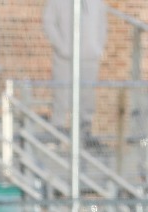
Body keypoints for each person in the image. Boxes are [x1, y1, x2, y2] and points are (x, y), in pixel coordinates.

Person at [42, 0, 107, 132]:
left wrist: (97, 48)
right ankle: (58, 129)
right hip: (65, 57)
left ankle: (85, 130)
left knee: (87, 94)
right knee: (61, 92)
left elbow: (102, 24)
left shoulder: (97, 2)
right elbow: (48, 22)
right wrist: (61, 47)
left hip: (89, 56)